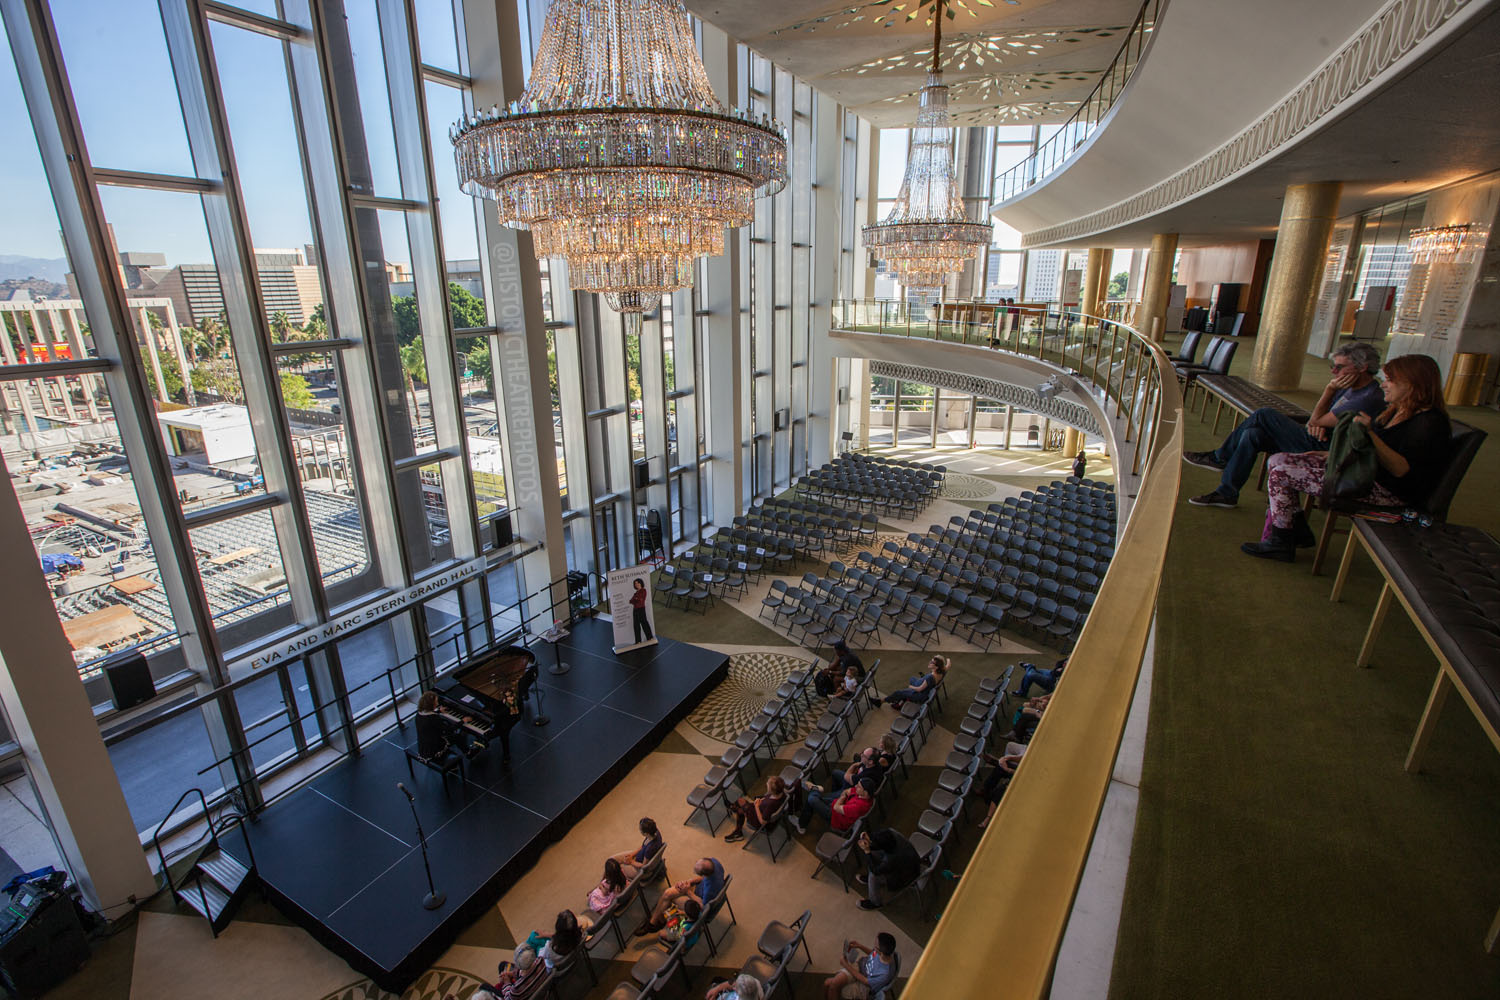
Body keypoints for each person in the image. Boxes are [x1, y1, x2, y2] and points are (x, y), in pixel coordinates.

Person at [1242, 353, 1452, 562]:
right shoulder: (1397, 411)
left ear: (1412, 384)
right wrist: (1330, 454)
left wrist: (1368, 433)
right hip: (1367, 475)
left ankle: (1281, 541)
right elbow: (1369, 452)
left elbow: (1400, 469)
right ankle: (1295, 531)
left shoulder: (1429, 423)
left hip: (1387, 492)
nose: (1383, 385)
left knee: (1282, 472)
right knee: (1277, 460)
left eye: (1390, 380)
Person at [1183, 341, 1387, 509]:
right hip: (1320, 436)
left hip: (1330, 451)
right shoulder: (1350, 387)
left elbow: (1315, 420)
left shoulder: (1366, 397)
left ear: (1362, 368)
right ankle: (1227, 493)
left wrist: (1328, 392)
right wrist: (1318, 423)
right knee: (1252, 434)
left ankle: (1220, 457)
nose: (1334, 372)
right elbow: (1315, 421)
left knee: (1264, 414)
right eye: (1332, 367)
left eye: (1340, 367)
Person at [636, 857, 724, 935]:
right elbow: (702, 878)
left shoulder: (710, 889)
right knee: (668, 893)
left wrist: (687, 891)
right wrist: (689, 882)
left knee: (669, 897)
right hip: (698, 890)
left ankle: (653, 923)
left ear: (704, 874)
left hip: (699, 904)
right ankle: (657, 921)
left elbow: (703, 906)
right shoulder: (714, 863)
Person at [856, 827, 920, 910]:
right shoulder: (891, 833)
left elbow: (875, 871)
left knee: (873, 875)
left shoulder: (891, 858)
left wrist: (867, 850)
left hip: (906, 874)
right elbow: (881, 842)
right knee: (873, 855)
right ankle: (870, 879)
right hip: (909, 860)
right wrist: (869, 837)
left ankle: (875, 902)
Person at [414, 690, 485, 765]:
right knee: (456, 736)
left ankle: (467, 752)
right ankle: (469, 753)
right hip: (434, 751)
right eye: (436, 702)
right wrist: (463, 721)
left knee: (454, 736)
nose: (437, 703)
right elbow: (449, 729)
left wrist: (439, 712)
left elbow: (430, 720)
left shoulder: (418, 715)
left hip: (424, 747)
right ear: (430, 705)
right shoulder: (433, 718)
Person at [823, 932, 898, 999]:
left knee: (832, 986)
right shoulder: (886, 954)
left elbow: (865, 981)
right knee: (828, 983)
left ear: (881, 953)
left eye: (875, 946)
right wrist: (860, 946)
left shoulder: (884, 974)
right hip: (860, 967)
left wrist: (846, 965)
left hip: (864, 986)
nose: (874, 947)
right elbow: (873, 954)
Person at [792, 775, 874, 836]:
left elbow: (836, 807)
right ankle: (814, 790)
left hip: (836, 818)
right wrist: (843, 797)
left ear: (865, 792)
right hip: (838, 806)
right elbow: (846, 791)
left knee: (812, 799)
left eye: (859, 786)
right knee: (813, 800)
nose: (856, 786)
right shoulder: (862, 794)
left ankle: (814, 789)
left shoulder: (858, 806)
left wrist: (843, 797)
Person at [725, 775, 788, 843]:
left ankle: (734, 812)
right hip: (761, 809)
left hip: (758, 820)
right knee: (740, 802)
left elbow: (763, 822)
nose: (766, 783)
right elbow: (768, 798)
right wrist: (761, 800)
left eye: (768, 784)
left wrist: (757, 806)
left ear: (772, 791)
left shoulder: (771, 805)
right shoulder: (782, 793)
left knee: (740, 806)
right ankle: (737, 830)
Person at [876, 655, 948, 708]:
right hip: (924, 687)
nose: (930, 662)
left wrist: (911, 687)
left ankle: (881, 701)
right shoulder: (942, 671)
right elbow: (948, 665)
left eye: (932, 662)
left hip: (920, 694)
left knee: (898, 692)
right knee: (912, 678)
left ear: (937, 667)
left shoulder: (930, 677)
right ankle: (903, 699)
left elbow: (919, 689)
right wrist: (947, 660)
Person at [630, 577, 654, 643]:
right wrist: (636, 599)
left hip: (641, 609)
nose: (636, 584)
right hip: (635, 609)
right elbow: (631, 601)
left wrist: (635, 599)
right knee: (636, 625)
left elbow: (639, 599)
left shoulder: (643, 590)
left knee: (644, 623)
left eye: (637, 583)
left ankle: (650, 637)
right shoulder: (636, 593)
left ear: (641, 583)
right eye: (635, 584)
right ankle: (638, 641)